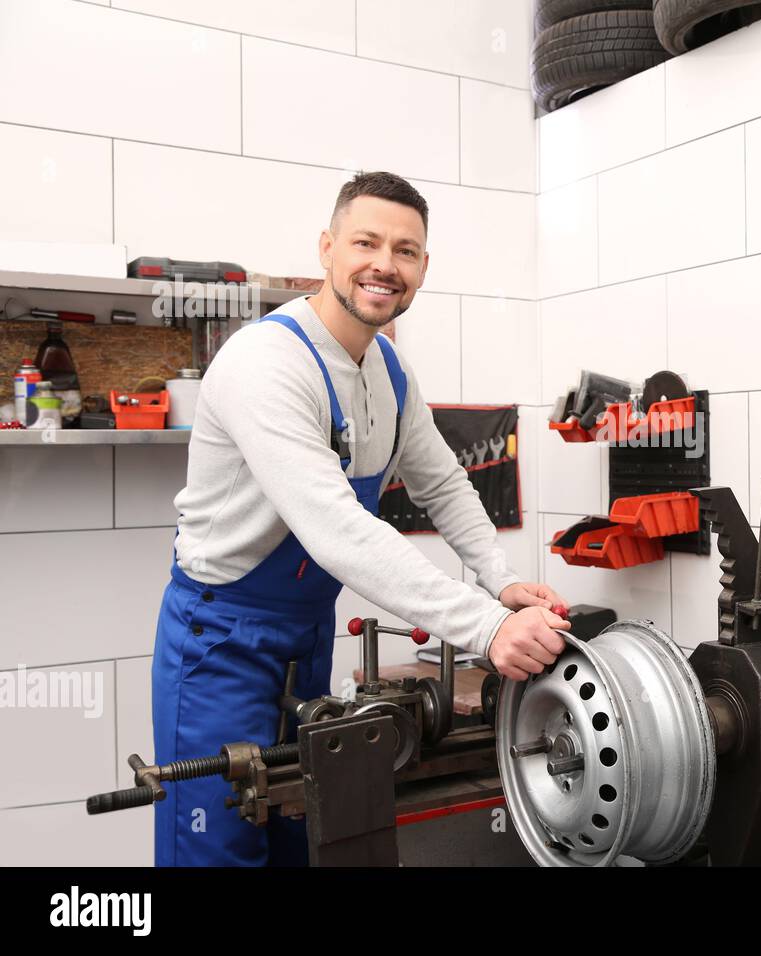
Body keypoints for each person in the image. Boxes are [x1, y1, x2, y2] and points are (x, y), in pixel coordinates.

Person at [151, 170, 568, 866]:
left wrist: (502, 580)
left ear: (423, 268)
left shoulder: (390, 372)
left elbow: (445, 483)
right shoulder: (267, 362)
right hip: (219, 642)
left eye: (405, 250)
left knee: (294, 832)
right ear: (327, 249)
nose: (385, 264)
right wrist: (490, 628)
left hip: (305, 640)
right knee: (217, 847)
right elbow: (338, 531)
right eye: (366, 242)